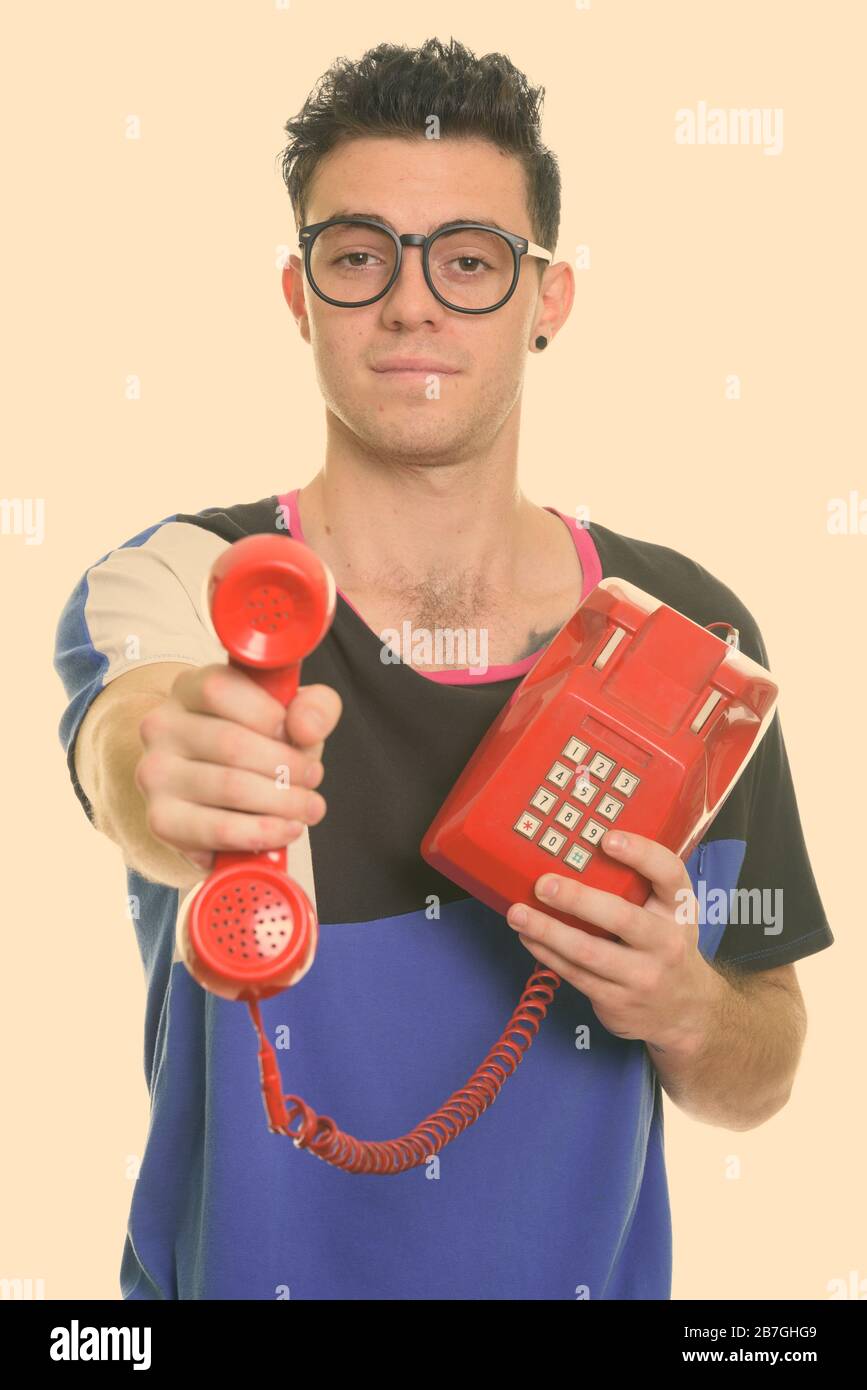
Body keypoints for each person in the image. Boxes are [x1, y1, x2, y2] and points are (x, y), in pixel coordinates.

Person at [53, 37, 833, 1301]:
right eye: (359, 256)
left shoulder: (692, 633)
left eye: (469, 260)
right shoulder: (187, 580)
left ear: (549, 300)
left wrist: (683, 1003)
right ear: (300, 294)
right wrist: (163, 763)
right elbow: (128, 735)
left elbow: (767, 1059)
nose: (411, 303)